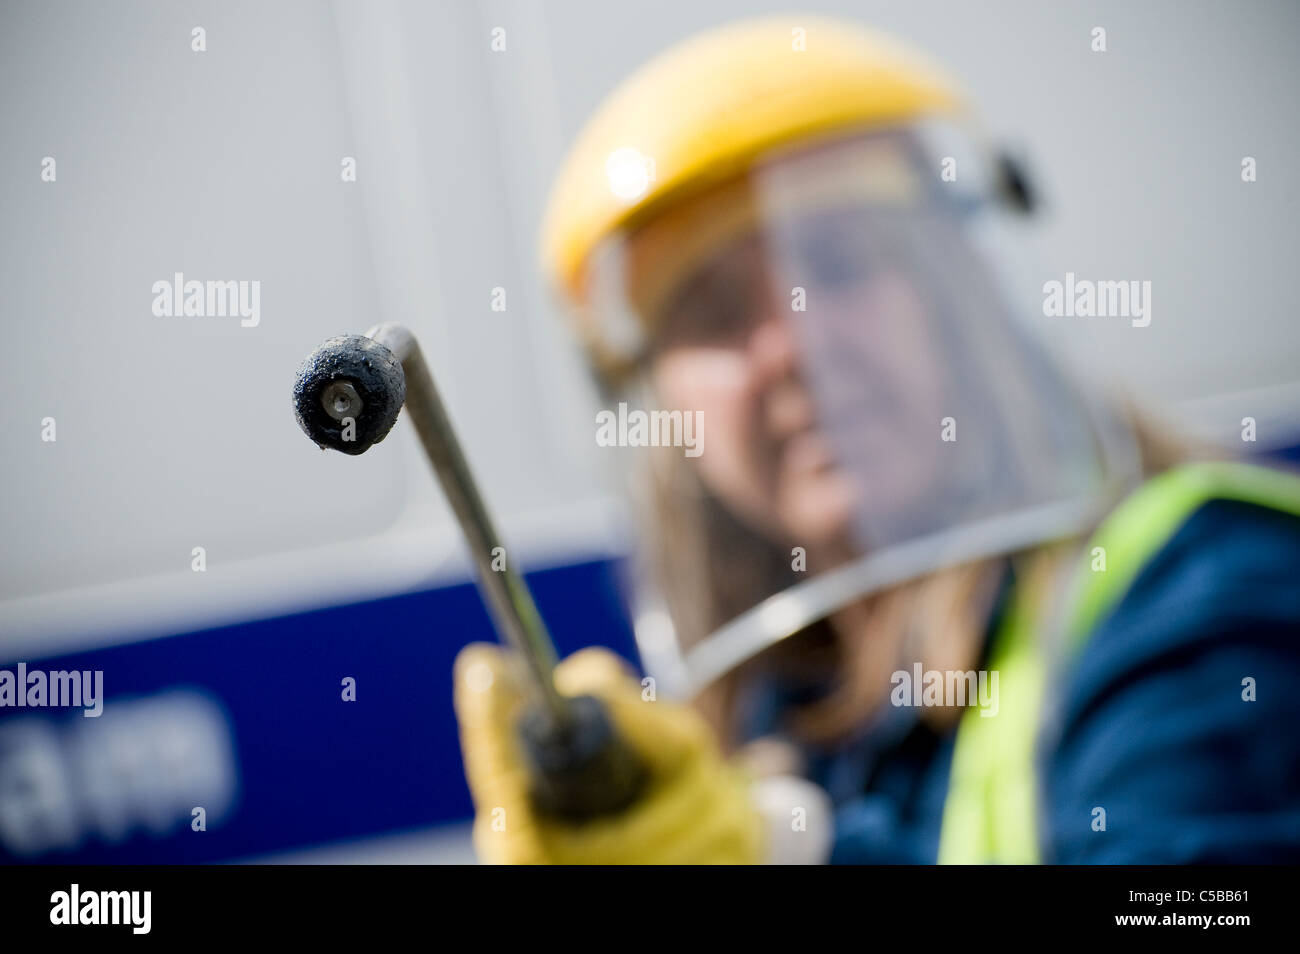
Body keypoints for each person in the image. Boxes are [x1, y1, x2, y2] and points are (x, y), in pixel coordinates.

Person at [452, 16, 1300, 864]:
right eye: (714, 312)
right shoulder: (779, 714)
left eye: (840, 267)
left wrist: (785, 851)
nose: (793, 349)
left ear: (953, 295)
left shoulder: (1199, 589)